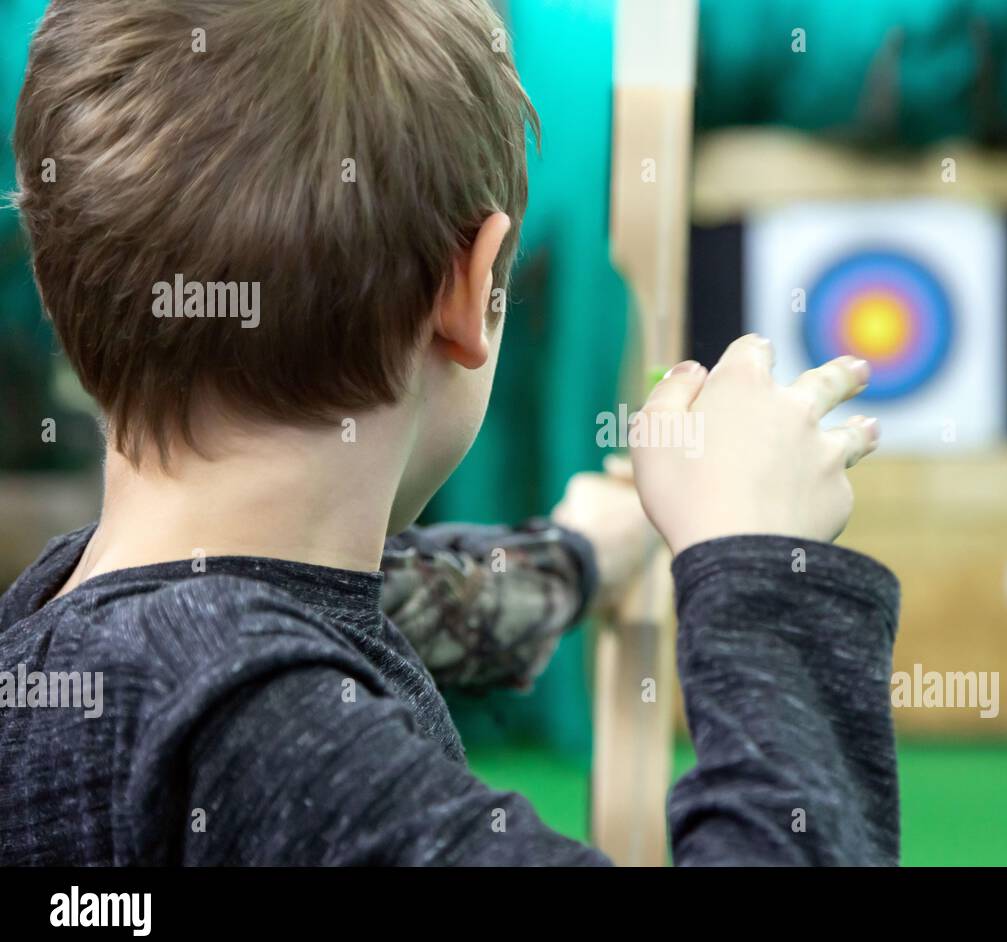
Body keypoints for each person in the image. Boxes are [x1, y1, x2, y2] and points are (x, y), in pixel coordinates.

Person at [0, 0, 897, 865]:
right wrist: (761, 568)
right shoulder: (269, 738)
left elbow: (322, 606)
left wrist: (574, 558)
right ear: (467, 292)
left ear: (55, 271)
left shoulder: (67, 649)